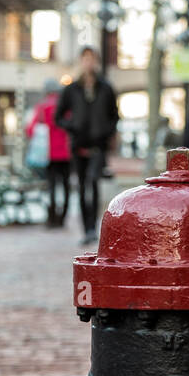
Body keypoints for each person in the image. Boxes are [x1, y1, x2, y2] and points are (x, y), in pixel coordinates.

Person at [56, 46, 119, 246]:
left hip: (98, 145)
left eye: (92, 59)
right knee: (83, 186)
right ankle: (87, 229)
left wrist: (106, 132)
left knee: (94, 182)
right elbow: (58, 117)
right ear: (80, 61)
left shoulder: (105, 88)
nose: (88, 63)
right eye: (85, 59)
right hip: (78, 145)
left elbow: (114, 115)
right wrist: (72, 127)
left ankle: (93, 227)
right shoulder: (71, 89)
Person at [26, 79, 72, 227]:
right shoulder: (66, 107)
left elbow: (30, 130)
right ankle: (63, 217)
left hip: (48, 154)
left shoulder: (41, 108)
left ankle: (52, 218)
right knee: (65, 186)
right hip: (66, 153)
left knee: (51, 186)